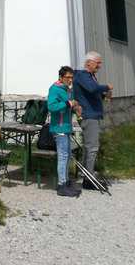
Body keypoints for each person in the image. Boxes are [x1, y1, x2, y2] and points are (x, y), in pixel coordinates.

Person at [73, 51, 112, 190]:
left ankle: (87, 178)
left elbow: (94, 92)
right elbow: (92, 88)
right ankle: (89, 180)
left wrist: (104, 95)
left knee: (89, 148)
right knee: (92, 148)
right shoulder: (83, 75)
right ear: (89, 62)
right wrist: (106, 87)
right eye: (98, 62)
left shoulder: (89, 76)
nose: (99, 66)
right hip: (89, 116)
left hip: (92, 115)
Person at [47, 66, 81, 197]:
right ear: (61, 78)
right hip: (59, 128)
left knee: (66, 156)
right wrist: (68, 104)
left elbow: (68, 106)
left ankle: (65, 182)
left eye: (72, 77)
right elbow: (51, 106)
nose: (70, 80)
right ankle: (61, 185)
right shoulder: (55, 89)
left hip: (66, 127)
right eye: (68, 77)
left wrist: (75, 108)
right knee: (62, 156)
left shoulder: (67, 89)